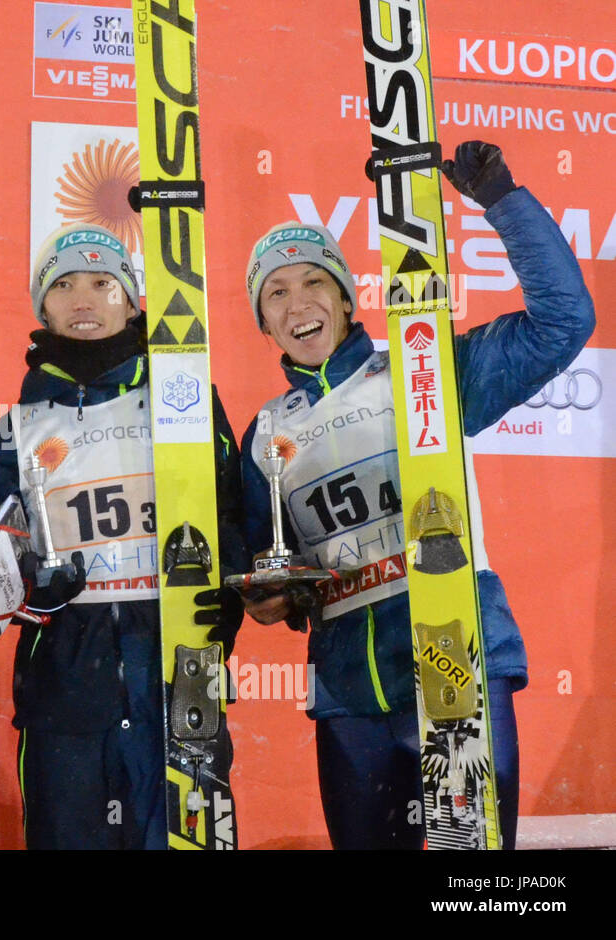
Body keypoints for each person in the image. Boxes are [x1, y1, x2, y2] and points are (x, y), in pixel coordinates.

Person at [238, 141, 595, 849]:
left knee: (468, 877)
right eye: (275, 293)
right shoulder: (266, 434)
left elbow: (564, 322)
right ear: (263, 321)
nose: (297, 303)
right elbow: (267, 565)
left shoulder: (422, 369)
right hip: (350, 695)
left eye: (313, 282)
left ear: (344, 296)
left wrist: (504, 203)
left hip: (452, 654)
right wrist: (273, 599)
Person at [0, 222, 246, 849]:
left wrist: (226, 595)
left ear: (131, 299)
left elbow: (231, 514)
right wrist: (22, 592)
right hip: (64, 687)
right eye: (64, 285)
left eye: (103, 283)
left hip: (176, 668)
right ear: (42, 306)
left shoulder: (185, 401)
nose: (84, 300)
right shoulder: (11, 430)